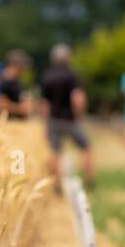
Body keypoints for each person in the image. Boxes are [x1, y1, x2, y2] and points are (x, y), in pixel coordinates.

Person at [39, 43, 94, 187]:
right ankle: (89, 180)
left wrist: (46, 123)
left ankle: (56, 183)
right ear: (68, 57)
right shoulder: (73, 75)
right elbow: (77, 98)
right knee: (86, 148)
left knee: (55, 151)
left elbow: (45, 103)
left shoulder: (47, 76)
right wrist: (79, 116)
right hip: (70, 119)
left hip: (54, 119)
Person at [0, 49, 32, 120]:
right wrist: (20, 109)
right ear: (15, 64)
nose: (24, 69)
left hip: (16, 123)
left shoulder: (17, 81)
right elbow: (1, 104)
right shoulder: (6, 81)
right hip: (9, 122)